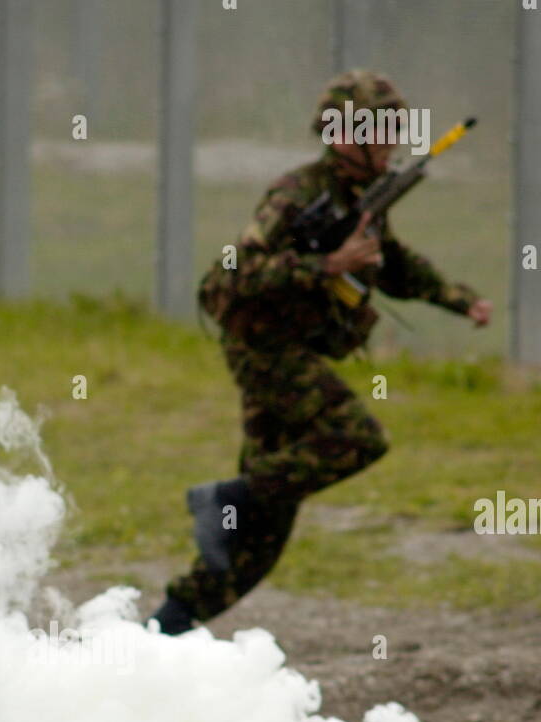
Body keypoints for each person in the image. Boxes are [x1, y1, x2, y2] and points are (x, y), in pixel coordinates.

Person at [150, 71, 492, 635]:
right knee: (357, 437)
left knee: (259, 538)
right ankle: (223, 498)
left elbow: (396, 265)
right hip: (263, 349)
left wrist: (461, 301)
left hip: (291, 350)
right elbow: (233, 272)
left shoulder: (361, 200)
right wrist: (327, 266)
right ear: (343, 137)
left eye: (395, 133)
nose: (392, 145)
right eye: (380, 133)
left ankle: (160, 632)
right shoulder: (297, 194)